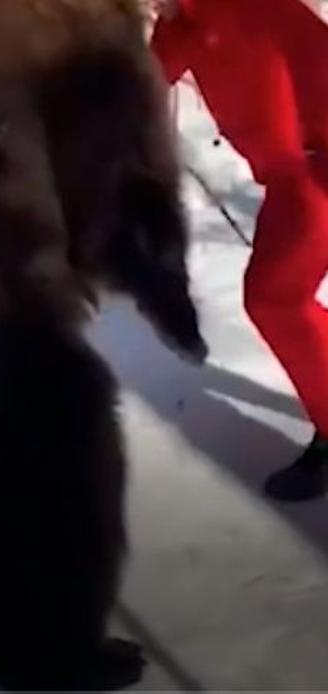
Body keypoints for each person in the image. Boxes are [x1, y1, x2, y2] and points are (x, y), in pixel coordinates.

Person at [149, 0, 328, 501]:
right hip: (293, 178)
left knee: (277, 296)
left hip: (315, 169)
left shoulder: (253, 8)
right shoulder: (187, 26)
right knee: (278, 297)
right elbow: (146, 83)